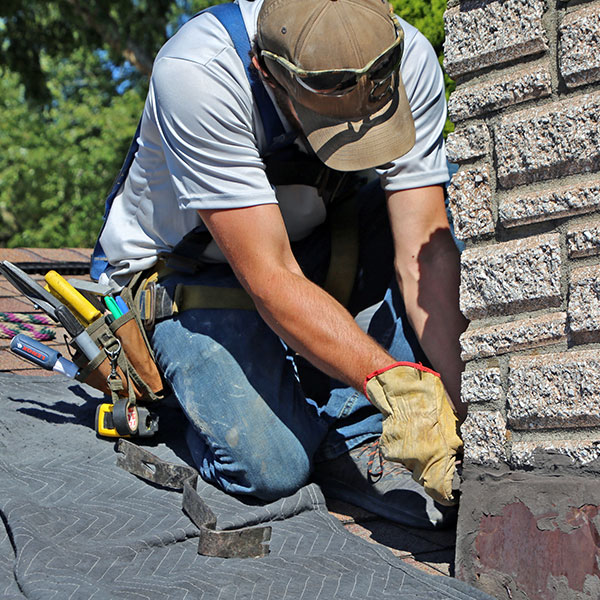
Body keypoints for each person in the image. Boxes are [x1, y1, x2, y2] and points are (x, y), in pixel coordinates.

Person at [96, 0, 468, 529]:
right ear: (266, 70)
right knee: (272, 467)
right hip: (195, 274)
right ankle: (193, 406)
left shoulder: (403, 56)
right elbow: (271, 277)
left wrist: (468, 409)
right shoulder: (199, 73)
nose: (359, 136)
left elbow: (423, 257)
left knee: (448, 206)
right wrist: (395, 384)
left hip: (317, 237)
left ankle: (348, 422)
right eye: (332, 123)